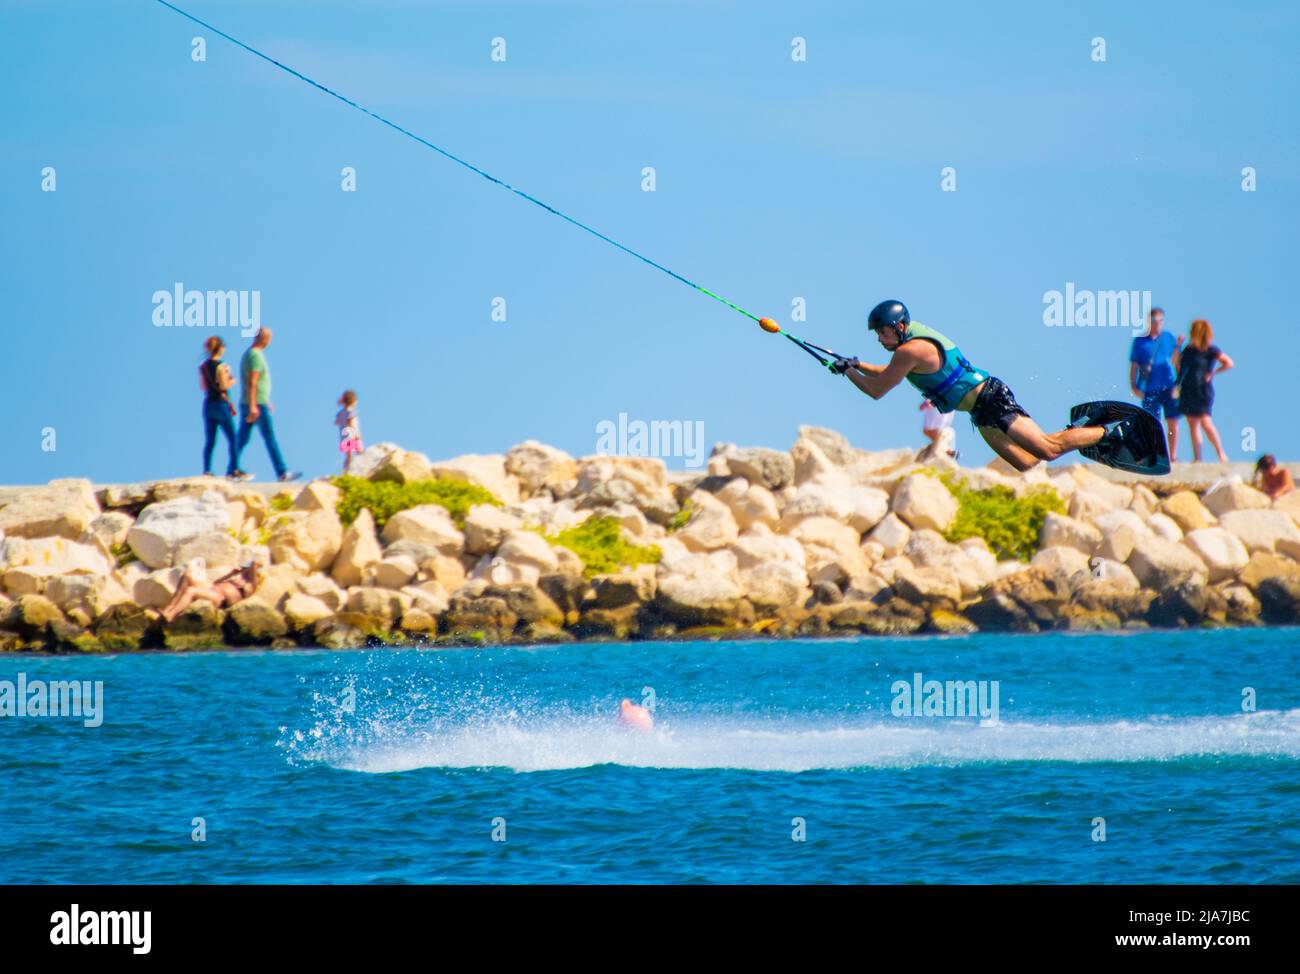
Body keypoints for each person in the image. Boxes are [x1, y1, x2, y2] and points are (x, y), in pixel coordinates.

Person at [830, 300, 1127, 472]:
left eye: (882, 333)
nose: (880, 340)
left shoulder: (911, 350)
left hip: (991, 399)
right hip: (979, 413)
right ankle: (1081, 430)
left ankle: (1113, 431)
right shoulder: (906, 353)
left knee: (1048, 451)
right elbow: (889, 372)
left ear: (899, 328)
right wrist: (855, 364)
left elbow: (877, 390)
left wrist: (847, 373)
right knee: (1025, 462)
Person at [234, 327, 301, 483]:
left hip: (254, 401)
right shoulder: (255, 356)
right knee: (269, 437)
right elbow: (253, 381)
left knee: (242, 439)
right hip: (256, 404)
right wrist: (253, 405)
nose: (269, 341)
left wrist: (264, 400)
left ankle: (233, 468)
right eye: (268, 338)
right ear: (262, 338)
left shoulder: (249, 354)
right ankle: (282, 472)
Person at [1175, 318, 1233, 463]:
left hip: (1202, 390)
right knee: (1192, 423)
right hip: (1188, 389)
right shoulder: (1188, 350)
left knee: (1206, 422)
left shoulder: (1210, 350)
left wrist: (1213, 373)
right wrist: (1178, 346)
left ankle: (1221, 453)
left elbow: (1229, 363)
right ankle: (1197, 458)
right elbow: (1176, 364)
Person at [1129, 307, 1182, 459]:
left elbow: (1177, 362)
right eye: (1154, 320)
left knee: (1172, 421)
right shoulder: (1140, 341)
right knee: (1151, 422)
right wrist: (1133, 385)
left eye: (1160, 320)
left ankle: (1172, 456)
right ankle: (1155, 454)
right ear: (1148, 322)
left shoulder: (1169, 337)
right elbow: (1134, 365)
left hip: (1170, 386)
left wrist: (1179, 384)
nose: (1157, 323)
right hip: (1150, 388)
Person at [198, 336, 248, 480]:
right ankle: (234, 469)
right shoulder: (222, 366)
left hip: (208, 404)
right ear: (220, 348)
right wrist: (232, 380)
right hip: (221, 404)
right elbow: (224, 386)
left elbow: (203, 386)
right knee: (233, 438)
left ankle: (207, 469)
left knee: (210, 440)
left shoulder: (203, 367)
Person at [159, 560, 263, 623]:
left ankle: (171, 615)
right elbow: (216, 582)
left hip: (219, 599)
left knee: (191, 591)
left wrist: (250, 566)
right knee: (187, 575)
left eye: (249, 572)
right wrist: (231, 574)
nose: (246, 572)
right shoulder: (236, 580)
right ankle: (169, 608)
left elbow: (255, 564)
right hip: (210, 590)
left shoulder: (250, 587)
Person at [335, 389, 363, 473]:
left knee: (348, 456)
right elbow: (351, 423)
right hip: (352, 436)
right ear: (353, 401)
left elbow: (336, 422)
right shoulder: (351, 412)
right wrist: (356, 435)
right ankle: (361, 470)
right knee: (360, 453)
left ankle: (345, 471)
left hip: (344, 437)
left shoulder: (340, 413)